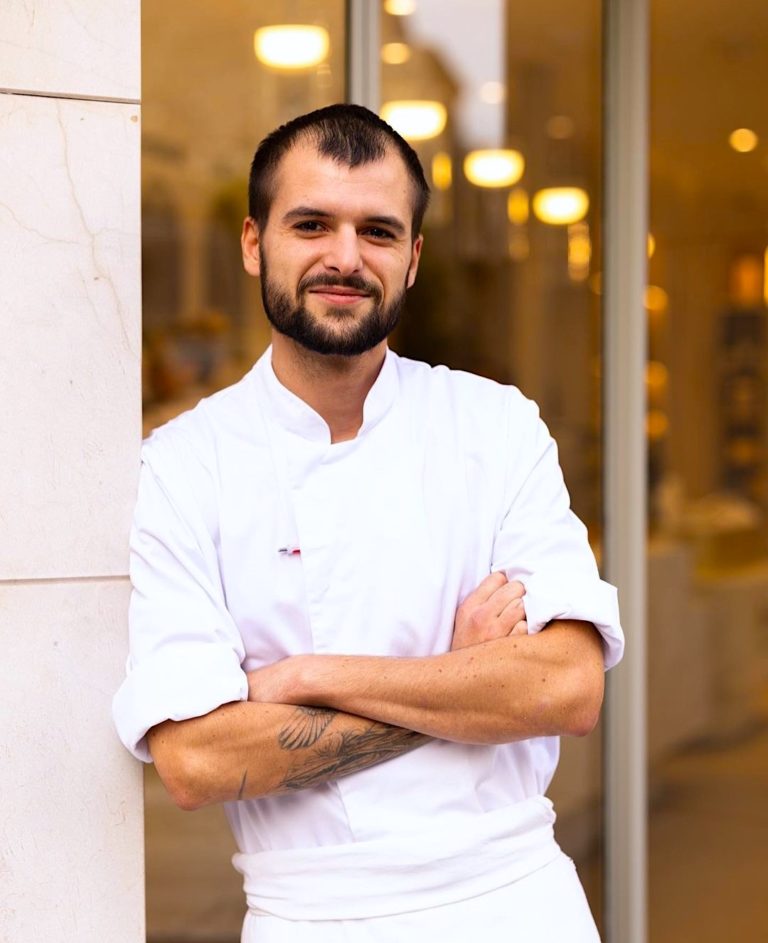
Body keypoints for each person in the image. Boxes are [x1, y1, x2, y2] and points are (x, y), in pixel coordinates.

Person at [113, 103, 623, 942]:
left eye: (379, 231)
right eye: (312, 223)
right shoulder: (182, 463)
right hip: (311, 914)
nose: (345, 257)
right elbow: (198, 761)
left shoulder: (494, 425)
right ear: (253, 242)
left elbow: (565, 685)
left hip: (515, 900)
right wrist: (457, 679)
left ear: (414, 258)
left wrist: (309, 677)